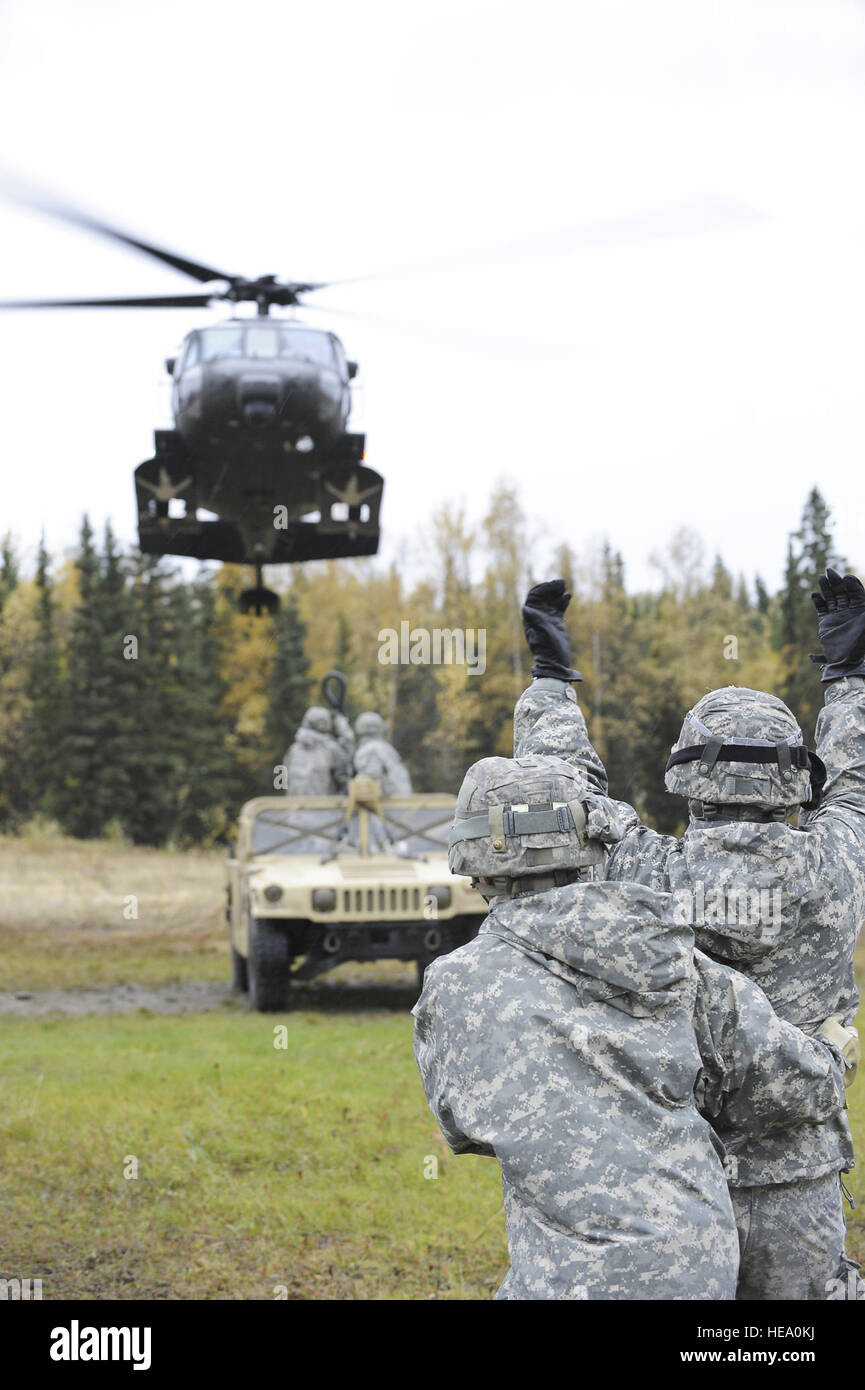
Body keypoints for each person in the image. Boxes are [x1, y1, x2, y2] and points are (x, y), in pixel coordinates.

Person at [512, 573, 863, 1299]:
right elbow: (857, 781)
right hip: (794, 1174)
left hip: (663, 1173)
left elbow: (558, 784)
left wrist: (551, 678)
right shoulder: (837, 861)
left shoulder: (637, 867)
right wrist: (848, 672)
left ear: (686, 775)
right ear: (795, 779)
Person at [413, 753, 848, 1300]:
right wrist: (832, 1050)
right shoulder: (668, 950)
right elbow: (793, 1084)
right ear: (590, 842)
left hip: (562, 1278)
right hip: (696, 1272)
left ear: (474, 864)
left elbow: (463, 1126)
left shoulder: (455, 984)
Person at [282, 705, 354, 795]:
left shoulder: (293, 750)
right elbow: (345, 769)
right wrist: (343, 726)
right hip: (322, 806)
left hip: (294, 805)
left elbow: (283, 779)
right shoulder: (331, 748)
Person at [353, 711, 412, 795]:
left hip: (390, 803)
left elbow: (372, 776)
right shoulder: (384, 747)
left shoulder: (370, 750)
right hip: (398, 800)